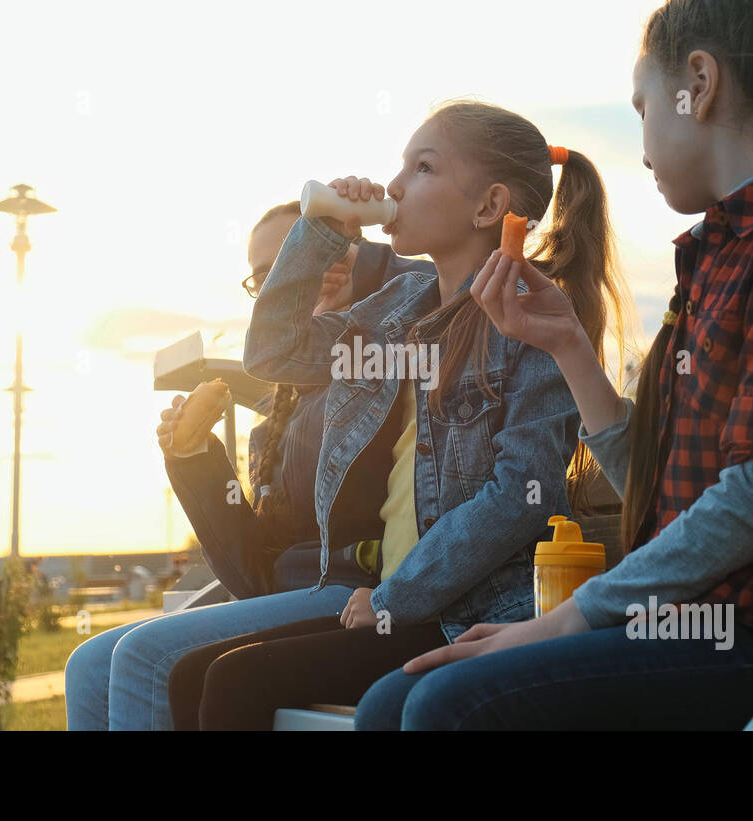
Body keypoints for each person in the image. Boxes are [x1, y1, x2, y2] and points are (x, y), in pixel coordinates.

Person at [354, 0, 753, 731]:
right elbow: (666, 508)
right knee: (389, 703)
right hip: (691, 631)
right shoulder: (720, 258)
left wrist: (568, 619)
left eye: (642, 107)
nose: (642, 145)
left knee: (447, 704)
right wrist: (566, 344)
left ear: (700, 82)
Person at [163, 100, 633, 730]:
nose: (394, 187)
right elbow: (275, 352)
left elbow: (521, 493)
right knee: (194, 672)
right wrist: (324, 228)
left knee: (230, 680)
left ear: (488, 208)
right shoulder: (402, 306)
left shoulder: (529, 317)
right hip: (393, 605)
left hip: (468, 612)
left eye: (423, 168)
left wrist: (393, 597)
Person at [160, 201, 434, 599]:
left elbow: (450, 285)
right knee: (97, 657)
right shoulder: (272, 425)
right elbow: (254, 579)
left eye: (299, 255)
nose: (284, 281)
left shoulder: (394, 349)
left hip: (358, 595)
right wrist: (194, 458)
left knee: (136, 652)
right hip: (289, 600)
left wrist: (366, 264)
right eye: (264, 277)